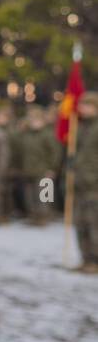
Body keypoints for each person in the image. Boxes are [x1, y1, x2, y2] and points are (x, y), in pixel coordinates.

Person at [72, 92, 98, 273]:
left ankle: (95, 260)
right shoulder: (80, 127)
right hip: (80, 182)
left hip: (94, 184)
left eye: (86, 105)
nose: (82, 108)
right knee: (80, 222)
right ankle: (86, 257)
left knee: (93, 222)